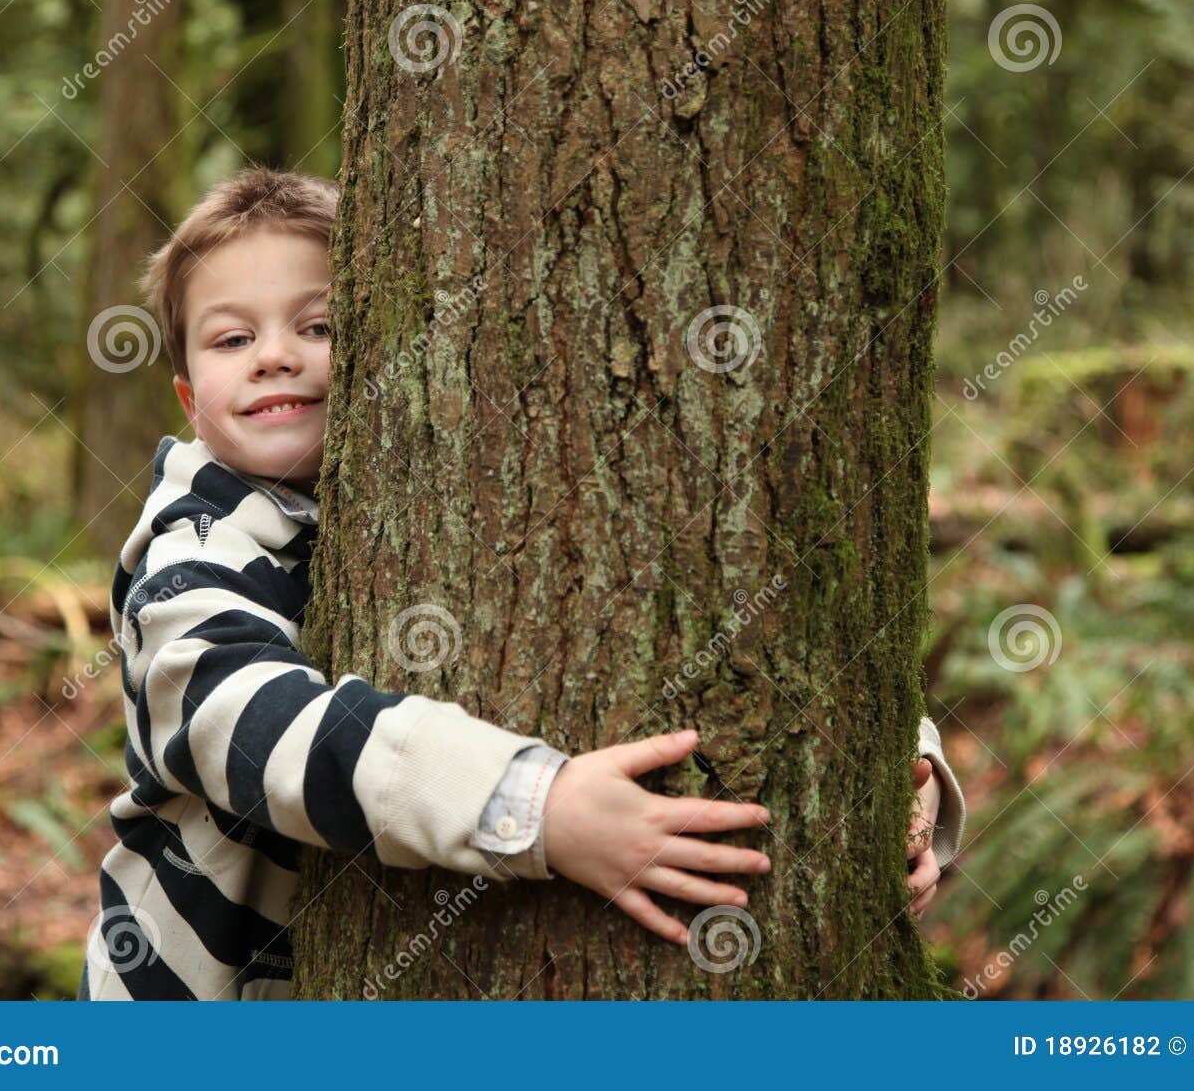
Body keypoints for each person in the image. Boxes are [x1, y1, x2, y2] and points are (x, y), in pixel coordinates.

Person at [78, 166, 964, 999]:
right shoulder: (189, 555)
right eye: (235, 338)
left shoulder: (386, 498)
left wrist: (902, 776)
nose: (278, 356)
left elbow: (791, 611)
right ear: (190, 400)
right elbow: (254, 725)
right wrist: (533, 806)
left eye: (321, 325)